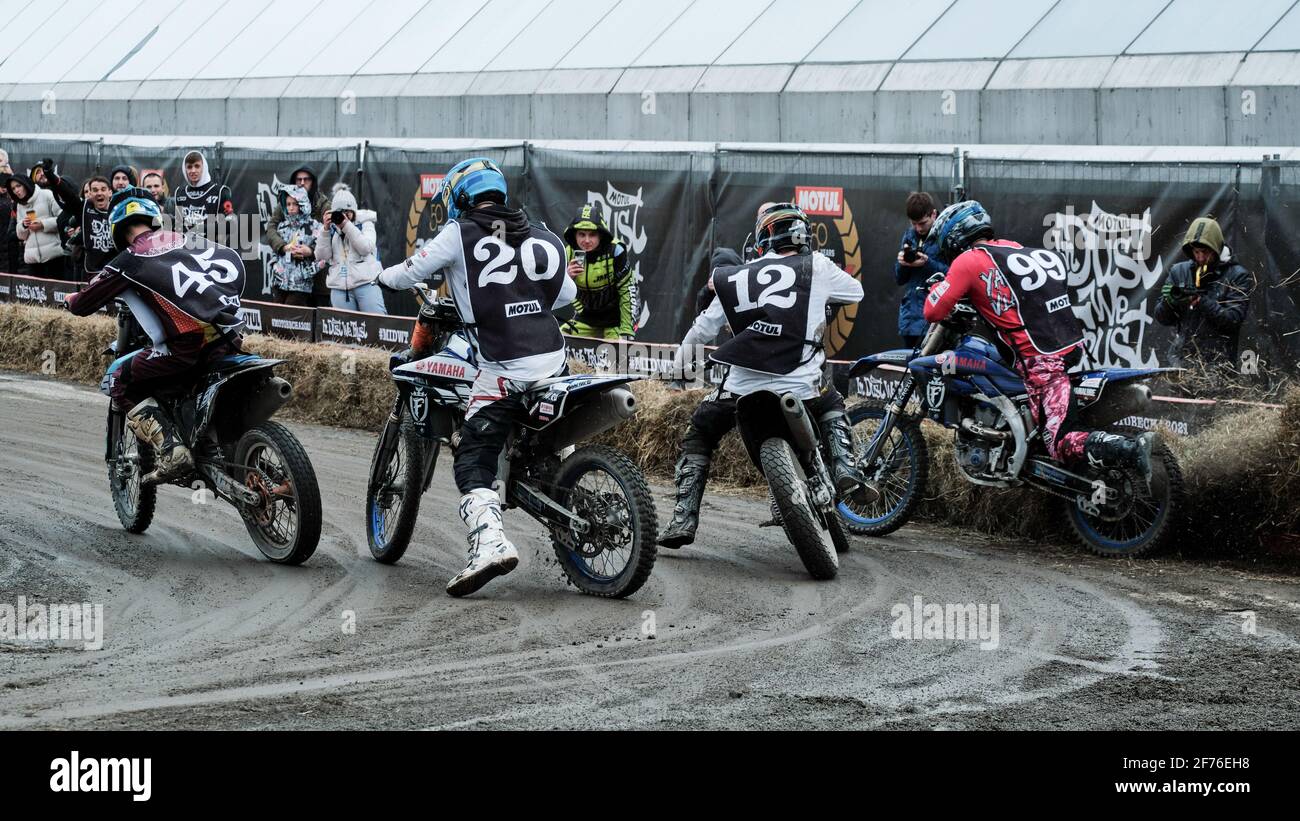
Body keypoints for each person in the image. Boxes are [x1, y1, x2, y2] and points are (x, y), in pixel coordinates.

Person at [378, 157, 576, 597]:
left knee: (472, 456)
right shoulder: (540, 232)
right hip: (554, 359)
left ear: (458, 195)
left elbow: (410, 272)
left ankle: (490, 543)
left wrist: (379, 275)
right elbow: (567, 294)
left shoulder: (459, 232)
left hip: (504, 364)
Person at [659, 203, 864, 550]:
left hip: (740, 388)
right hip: (801, 384)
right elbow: (855, 293)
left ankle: (684, 516)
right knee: (831, 401)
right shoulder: (818, 266)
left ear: (762, 239)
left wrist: (678, 374)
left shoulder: (735, 275)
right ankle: (846, 468)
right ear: (803, 237)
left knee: (700, 431)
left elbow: (699, 333)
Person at [921, 200, 1154, 479]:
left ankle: (1130, 449)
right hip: (1071, 348)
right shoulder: (1014, 249)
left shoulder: (968, 261)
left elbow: (932, 310)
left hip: (1041, 360)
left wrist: (937, 286)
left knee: (1058, 443)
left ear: (954, 234)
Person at [65, 187, 246, 484]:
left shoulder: (130, 258)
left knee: (119, 378)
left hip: (186, 348)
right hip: (229, 337)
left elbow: (85, 304)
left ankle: (171, 449)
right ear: (153, 218)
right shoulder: (190, 241)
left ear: (117, 229)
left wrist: (71, 300)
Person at [1153, 217, 1252, 373]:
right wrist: (1169, 302)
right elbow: (1162, 318)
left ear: (1216, 249)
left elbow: (1233, 320)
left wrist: (1201, 301)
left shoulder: (1237, 276)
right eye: (1196, 252)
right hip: (1181, 363)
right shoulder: (1179, 271)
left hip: (1219, 367)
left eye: (1205, 252)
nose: (1200, 257)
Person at [560, 204, 634, 340]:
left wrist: (626, 330)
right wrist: (566, 278)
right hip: (587, 317)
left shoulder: (616, 251)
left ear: (601, 235)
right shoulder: (568, 252)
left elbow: (628, 290)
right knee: (559, 339)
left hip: (616, 319)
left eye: (592, 234)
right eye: (582, 234)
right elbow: (558, 295)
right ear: (574, 235)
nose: (586, 240)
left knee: (616, 357)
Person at [265, 165, 332, 307]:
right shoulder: (285, 204)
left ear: (313, 182)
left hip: (317, 278)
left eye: (306, 179)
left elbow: (330, 235)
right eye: (298, 179)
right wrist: (284, 247)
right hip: (286, 278)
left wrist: (311, 250)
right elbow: (271, 228)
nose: (302, 183)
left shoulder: (324, 204)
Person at [316, 183, 385, 313]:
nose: (344, 216)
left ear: (354, 211)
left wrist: (346, 225)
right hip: (339, 288)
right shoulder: (330, 229)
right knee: (345, 329)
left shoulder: (365, 223)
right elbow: (321, 257)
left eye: (347, 213)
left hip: (366, 284)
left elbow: (366, 248)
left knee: (376, 323)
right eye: (340, 213)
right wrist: (325, 230)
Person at [894, 191, 949, 348]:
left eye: (922, 223)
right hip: (910, 320)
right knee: (912, 369)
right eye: (914, 224)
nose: (918, 228)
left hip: (937, 320)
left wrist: (927, 263)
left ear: (933, 214)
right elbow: (899, 278)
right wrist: (902, 263)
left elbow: (954, 274)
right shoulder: (909, 235)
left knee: (939, 368)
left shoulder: (947, 234)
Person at [7, 172, 66, 279]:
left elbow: (63, 220)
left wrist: (43, 224)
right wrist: (24, 225)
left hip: (53, 257)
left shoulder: (47, 194)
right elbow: (21, 236)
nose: (16, 190)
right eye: (13, 188)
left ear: (26, 184)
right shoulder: (19, 205)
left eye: (18, 186)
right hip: (32, 260)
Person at [270, 185, 322, 306]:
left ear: (303, 204)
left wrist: (309, 252)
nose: (291, 208)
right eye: (288, 204)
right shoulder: (282, 227)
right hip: (279, 283)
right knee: (276, 318)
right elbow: (274, 252)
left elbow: (324, 255)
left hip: (300, 286)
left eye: (295, 204)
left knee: (290, 319)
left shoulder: (315, 226)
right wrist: (275, 266)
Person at [173, 150, 234, 237]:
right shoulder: (179, 193)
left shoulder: (221, 192)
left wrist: (199, 228)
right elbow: (177, 225)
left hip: (213, 247)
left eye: (197, 166)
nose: (193, 170)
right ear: (184, 169)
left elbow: (231, 225)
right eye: (189, 167)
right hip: (186, 248)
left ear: (204, 167)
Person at [68, 176, 115, 278]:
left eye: (103, 189)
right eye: (94, 190)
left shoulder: (118, 210)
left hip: (114, 269)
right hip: (89, 269)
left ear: (110, 192)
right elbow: (68, 199)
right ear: (89, 194)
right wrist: (75, 236)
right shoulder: (83, 209)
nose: (99, 193)